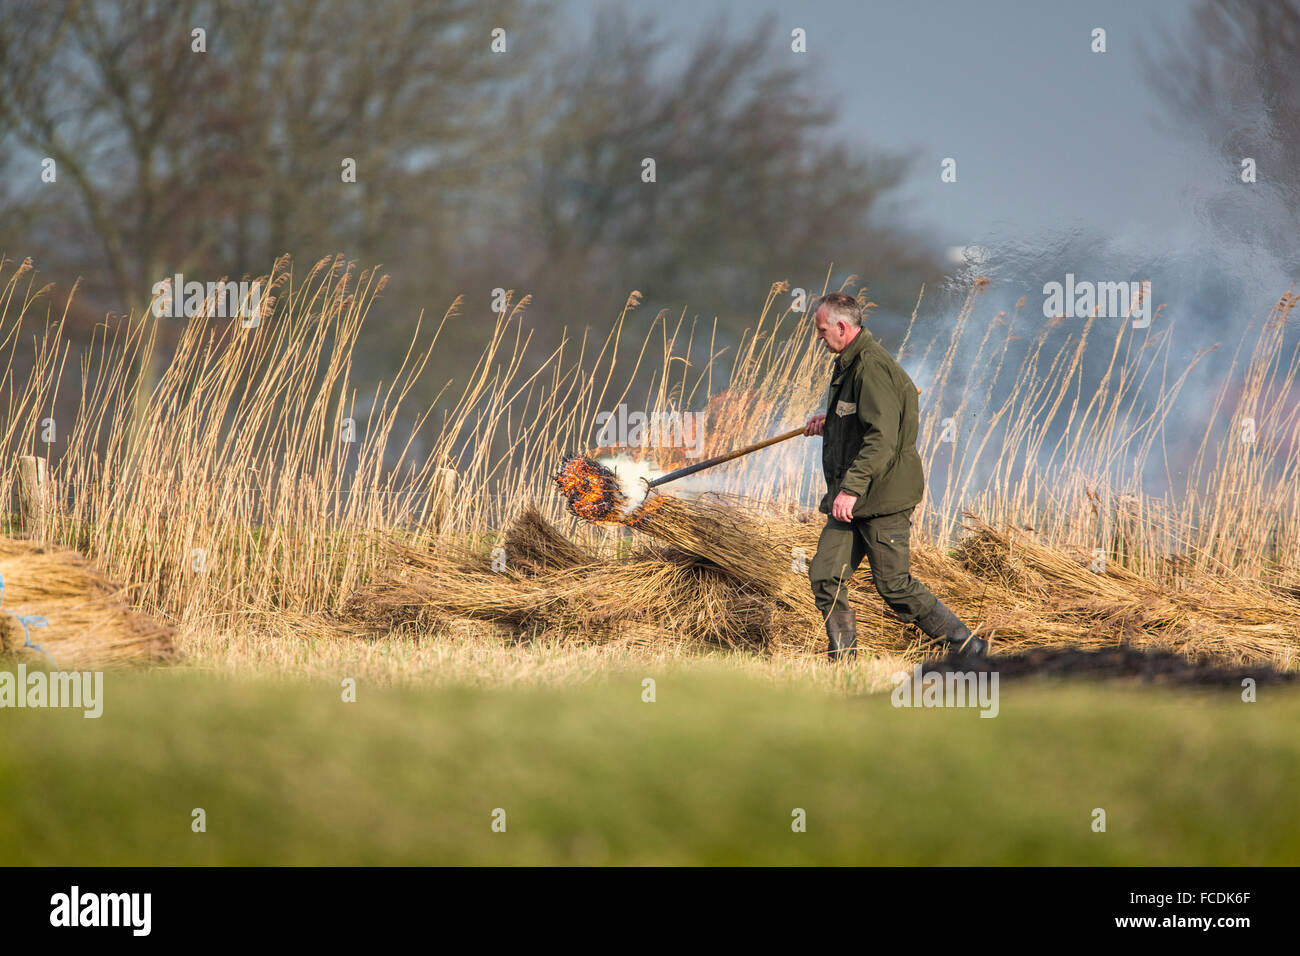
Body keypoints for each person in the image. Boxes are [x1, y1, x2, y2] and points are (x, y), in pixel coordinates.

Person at [803, 292, 987, 661]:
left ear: (842, 326)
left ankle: (966, 647)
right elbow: (865, 421)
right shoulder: (848, 363)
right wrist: (833, 422)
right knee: (826, 575)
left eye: (822, 330)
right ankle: (844, 662)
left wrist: (850, 489)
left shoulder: (872, 368)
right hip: (854, 500)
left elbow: (882, 438)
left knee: (893, 585)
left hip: (881, 496)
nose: (819, 337)